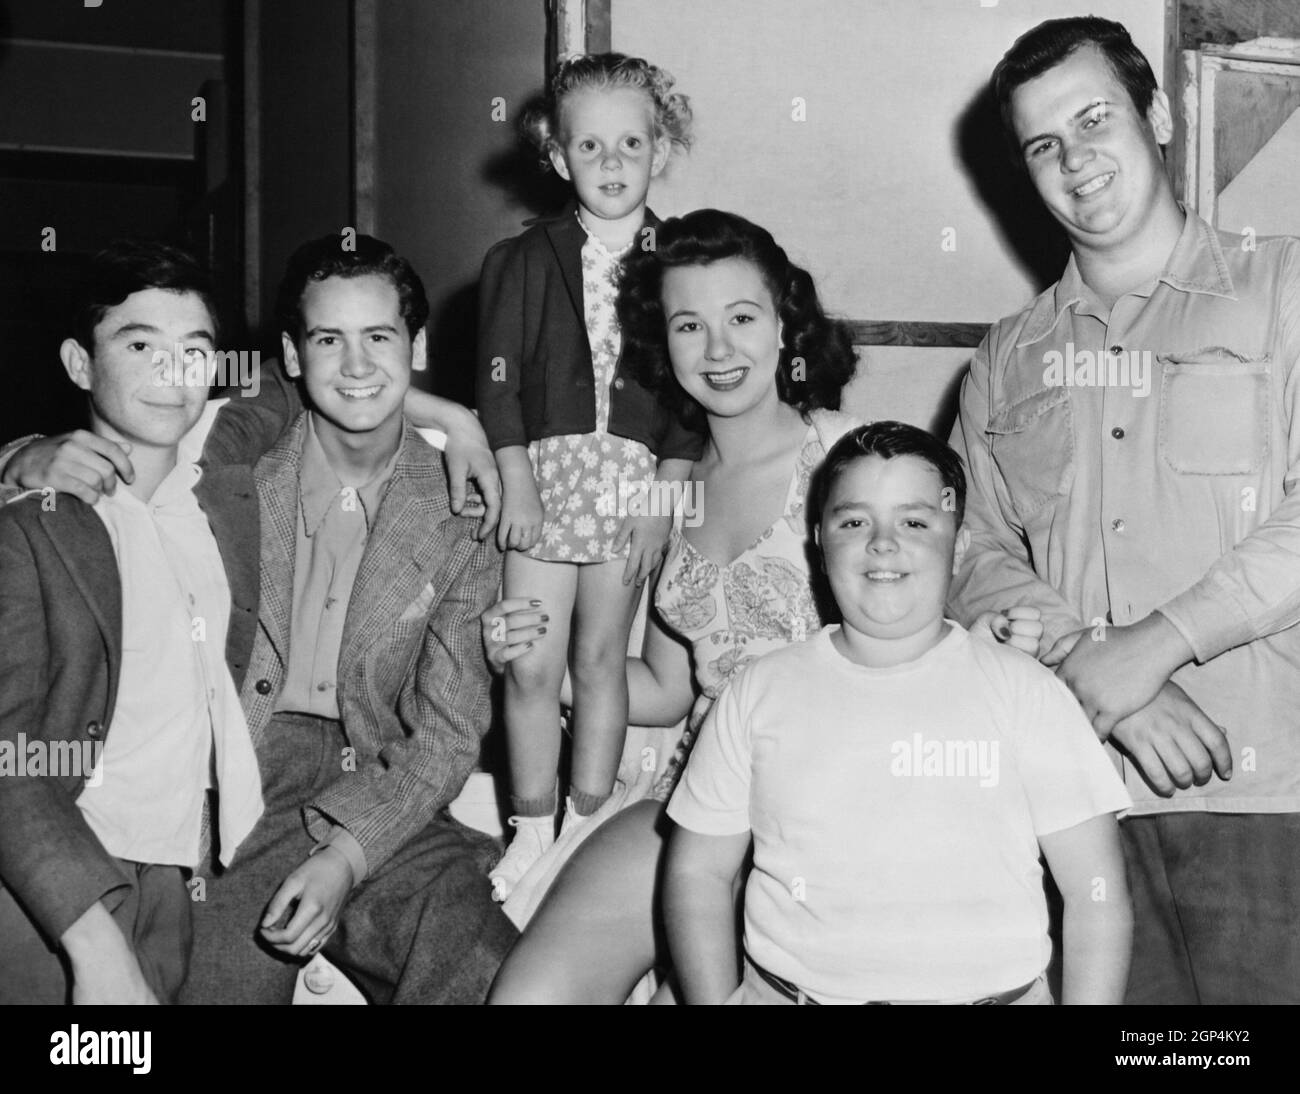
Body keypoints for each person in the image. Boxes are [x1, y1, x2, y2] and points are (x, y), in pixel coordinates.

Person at [484, 210, 1042, 1002]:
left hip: (843, 797)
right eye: (688, 325)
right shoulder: (661, 493)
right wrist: (539, 662)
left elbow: (943, 635)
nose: (718, 350)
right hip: (696, 796)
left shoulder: (851, 458)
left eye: (742, 319)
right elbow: (669, 688)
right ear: (659, 342)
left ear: (786, 327)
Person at [948, 16, 1300, 1004]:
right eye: (1041, 144)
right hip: (1080, 805)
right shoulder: (1003, 359)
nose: (1073, 159)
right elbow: (970, 555)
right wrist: (1097, 664)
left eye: (1093, 119)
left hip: (1276, 801)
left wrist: (1155, 644)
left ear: (1156, 115)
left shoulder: (1284, 286)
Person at [666, 421, 1132, 1005]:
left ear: (958, 544)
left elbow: (1097, 891)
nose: (883, 542)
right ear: (818, 539)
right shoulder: (756, 692)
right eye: (855, 521)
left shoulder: (1025, 692)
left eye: (914, 522)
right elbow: (697, 874)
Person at [167, 234, 517, 1004]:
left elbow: (447, 734)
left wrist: (348, 855)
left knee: (490, 975)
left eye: (379, 338)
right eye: (330, 340)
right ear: (292, 357)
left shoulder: (462, 508)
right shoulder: (230, 472)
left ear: (415, 346)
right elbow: (110, 450)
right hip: (243, 780)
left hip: (387, 785)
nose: (357, 366)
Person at [0, 240, 264, 1003]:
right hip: (49, 890)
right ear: (80, 365)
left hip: (171, 883)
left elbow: (341, 371)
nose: (171, 372)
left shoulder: (219, 502)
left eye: (194, 350)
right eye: (139, 344)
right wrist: (91, 943)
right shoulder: (32, 523)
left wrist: (472, 430)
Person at [476, 53, 704, 900]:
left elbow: (689, 399)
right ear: (558, 155)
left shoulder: (681, 258)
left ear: (661, 149)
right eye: (590, 147)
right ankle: (531, 826)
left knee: (602, 658)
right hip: (543, 474)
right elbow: (496, 380)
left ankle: (585, 822)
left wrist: (663, 497)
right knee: (532, 661)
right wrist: (515, 479)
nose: (612, 165)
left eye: (631, 144)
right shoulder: (521, 259)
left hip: (633, 485)